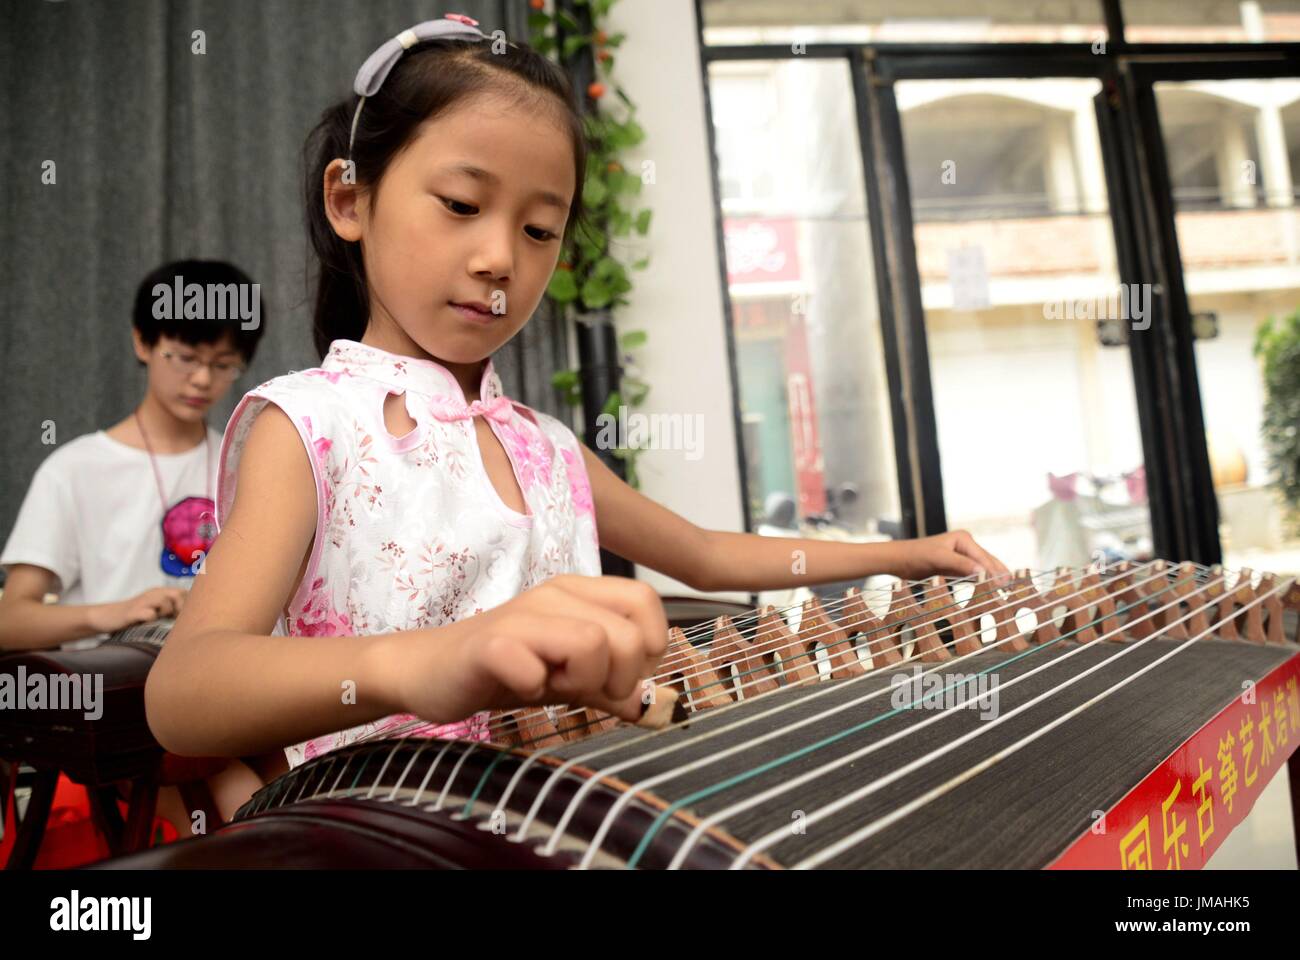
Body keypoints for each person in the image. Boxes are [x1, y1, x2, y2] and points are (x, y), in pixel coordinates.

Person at [144, 15, 1011, 779]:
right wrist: (423, 662)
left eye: (537, 229)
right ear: (350, 199)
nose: (498, 257)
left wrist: (905, 554)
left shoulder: (544, 446)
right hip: (387, 835)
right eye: (459, 204)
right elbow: (185, 691)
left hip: (560, 822)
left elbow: (705, 556)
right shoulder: (313, 428)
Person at [0, 259, 269, 829]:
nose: (202, 381)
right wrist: (117, 611)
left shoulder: (249, 467)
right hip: (112, 708)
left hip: (222, 687)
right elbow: (10, 620)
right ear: (143, 342)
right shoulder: (74, 470)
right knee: (202, 768)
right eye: (186, 357)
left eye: (224, 365)